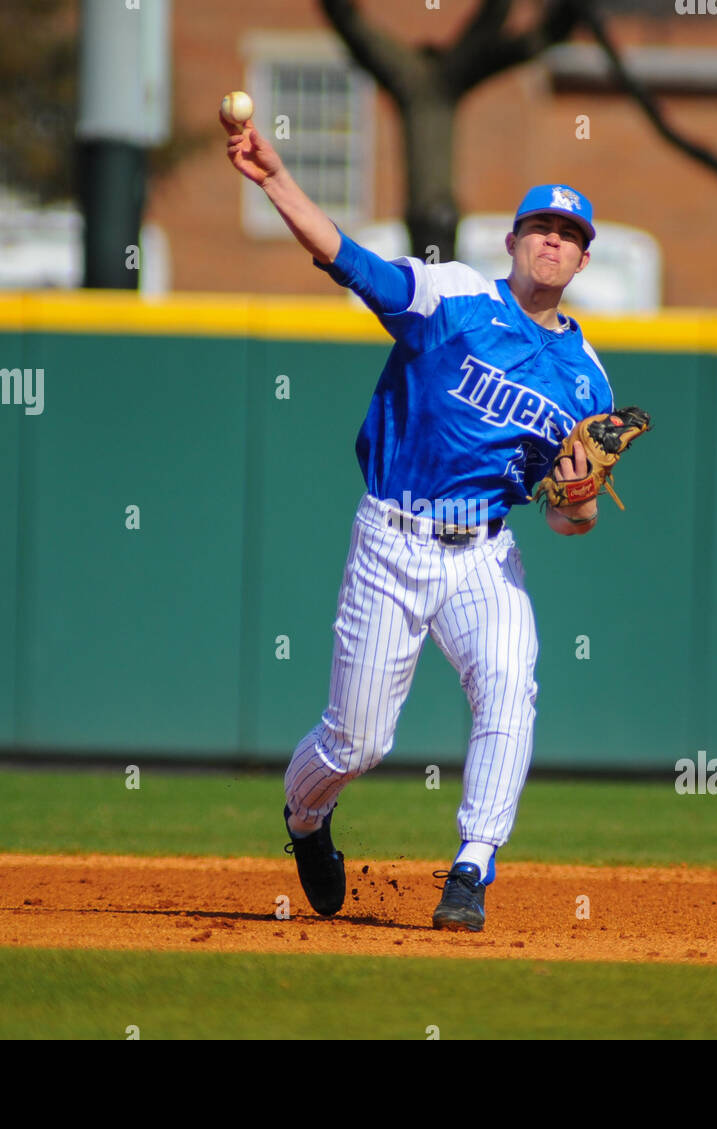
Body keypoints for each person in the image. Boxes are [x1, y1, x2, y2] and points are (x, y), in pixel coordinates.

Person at [225, 118, 618, 932]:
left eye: (570, 235)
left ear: (584, 260)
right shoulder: (455, 298)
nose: (554, 241)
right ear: (512, 240)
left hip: (484, 552)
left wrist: (575, 500)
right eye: (542, 226)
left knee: (511, 684)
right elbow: (349, 258)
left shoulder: (587, 382)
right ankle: (304, 818)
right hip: (393, 537)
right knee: (356, 742)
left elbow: (569, 521)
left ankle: (473, 867)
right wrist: (273, 180)